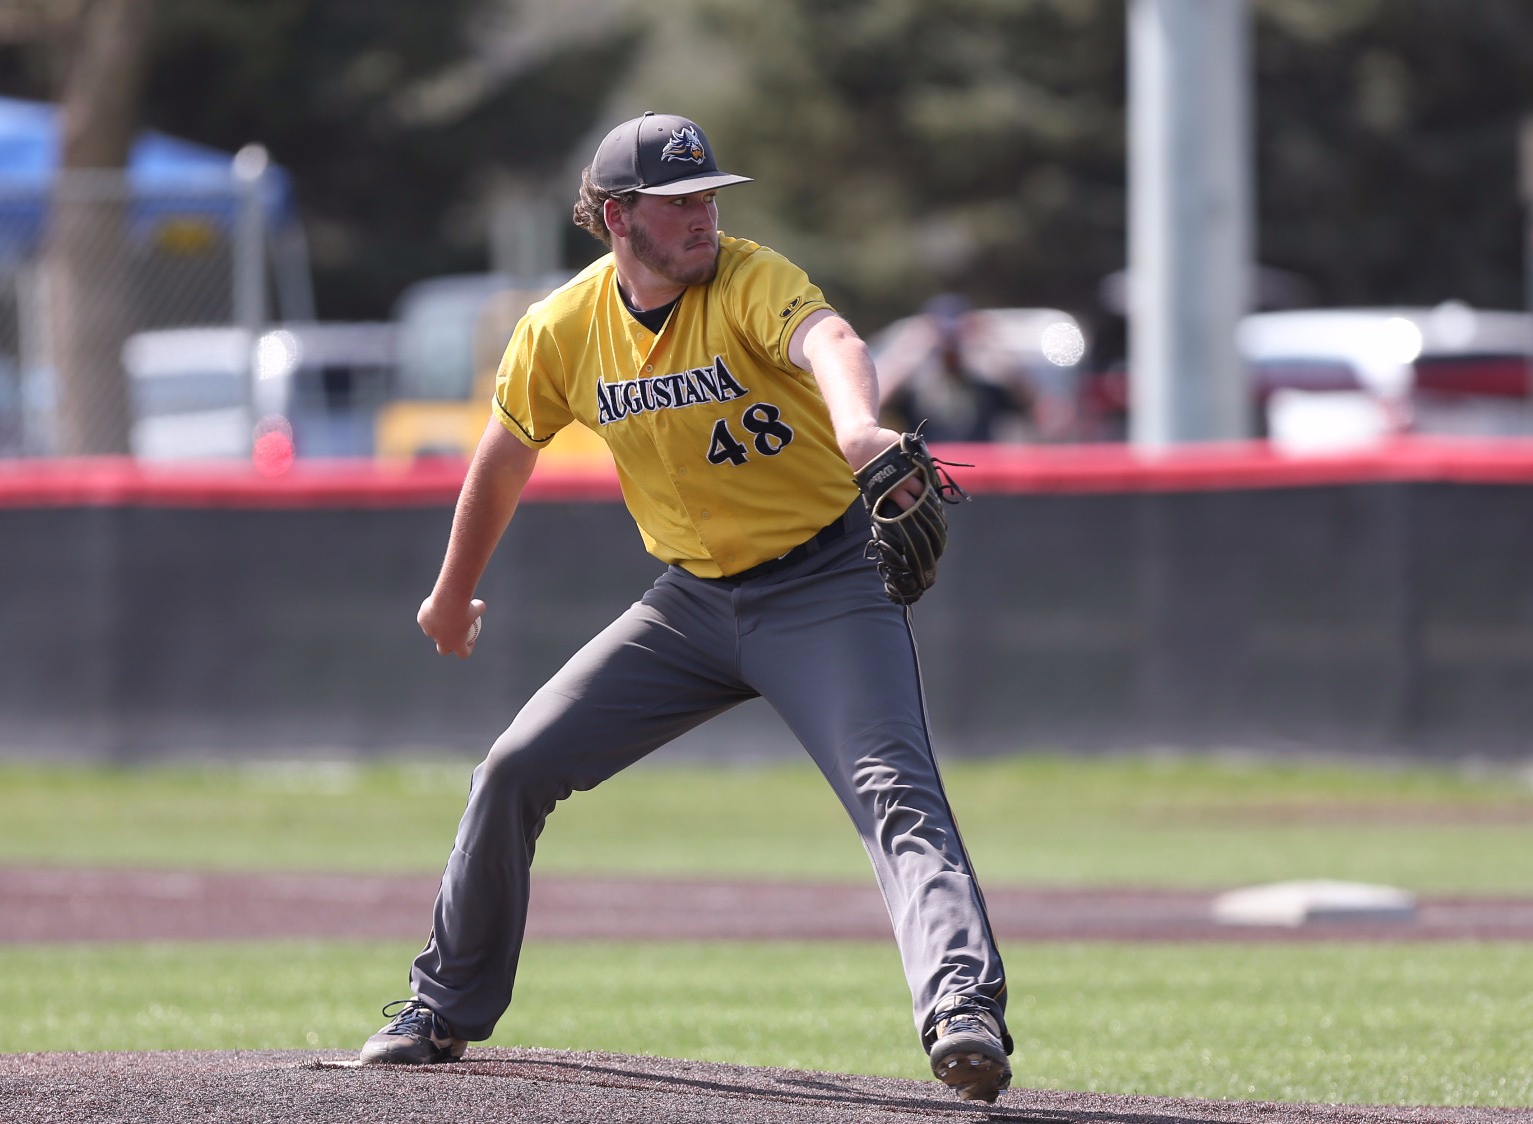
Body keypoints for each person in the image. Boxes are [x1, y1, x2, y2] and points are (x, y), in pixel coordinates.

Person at [356, 112, 1015, 1103]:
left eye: (708, 194)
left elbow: (830, 338)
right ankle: (440, 1006)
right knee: (513, 767)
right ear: (618, 217)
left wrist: (856, 427)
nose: (705, 215)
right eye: (679, 202)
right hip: (689, 605)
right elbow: (503, 455)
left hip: (824, 585)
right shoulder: (563, 328)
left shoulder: (748, 278)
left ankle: (961, 1007)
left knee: (893, 787)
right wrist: (451, 592)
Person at [880, 294, 1035, 443]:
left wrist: (991, 344)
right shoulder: (914, 387)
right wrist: (907, 350)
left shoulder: (985, 385)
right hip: (928, 460)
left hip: (976, 461)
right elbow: (878, 404)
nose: (949, 345)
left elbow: (1030, 406)